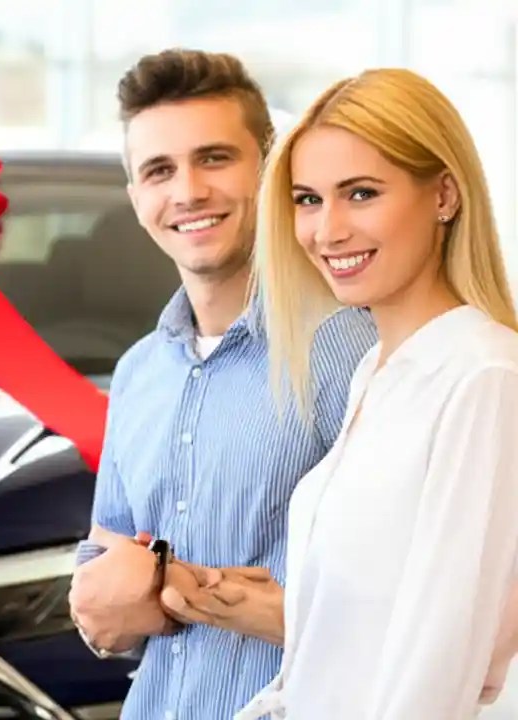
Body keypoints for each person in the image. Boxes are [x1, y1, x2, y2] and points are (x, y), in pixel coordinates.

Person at [65, 48, 378, 720]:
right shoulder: (139, 374)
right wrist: (134, 595)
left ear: (268, 167)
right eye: (159, 171)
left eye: (214, 158)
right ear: (137, 198)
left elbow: (401, 613)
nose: (188, 192)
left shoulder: (354, 352)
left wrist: (164, 585)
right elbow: (102, 615)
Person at [234, 67, 518, 719]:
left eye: (360, 194)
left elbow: (438, 664)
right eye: (307, 199)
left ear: (444, 195)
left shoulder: (483, 377)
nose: (326, 231)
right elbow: (330, 656)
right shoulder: (376, 372)